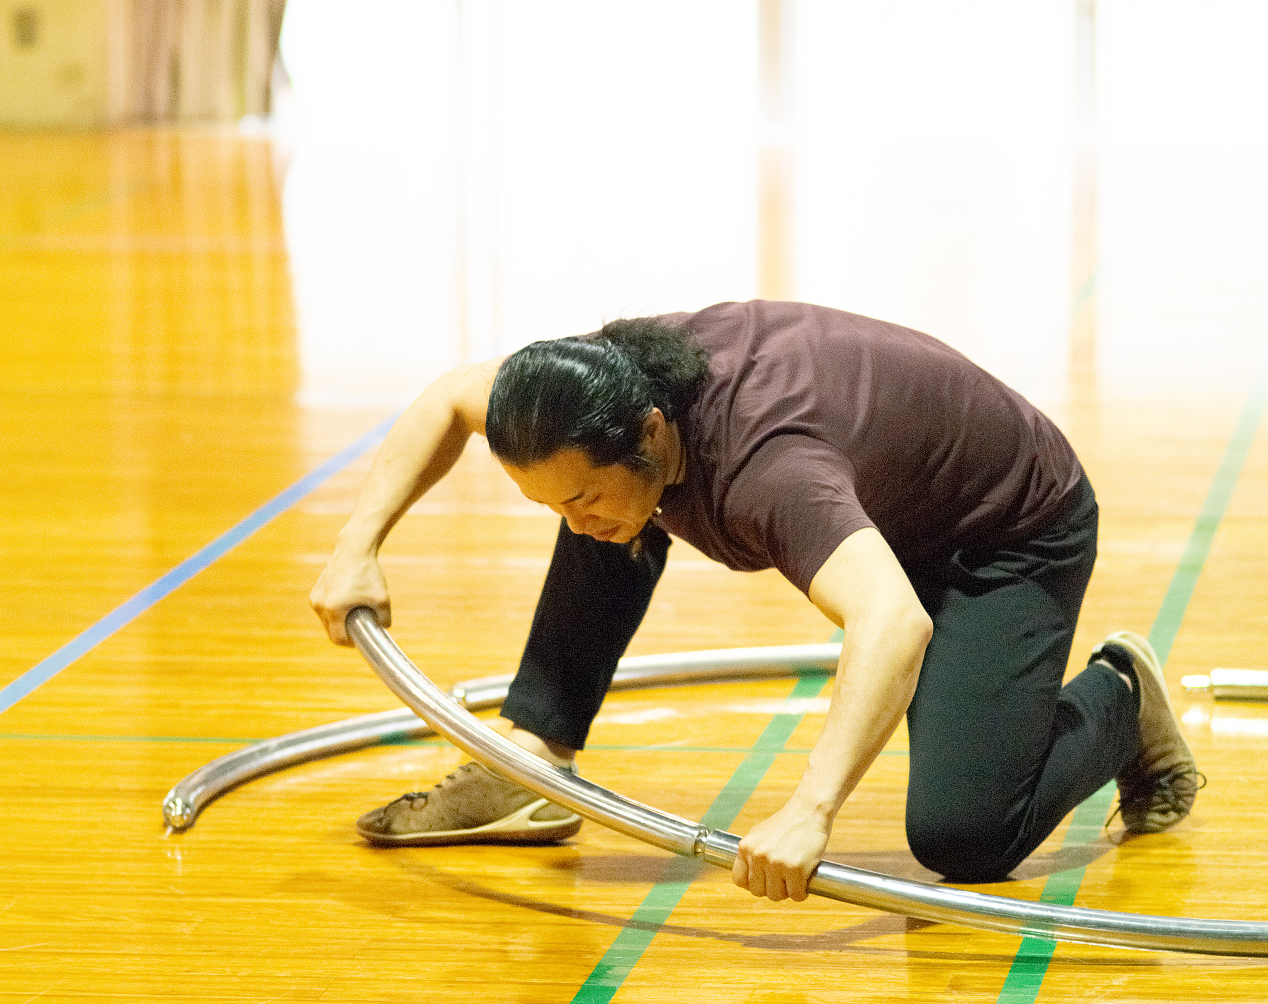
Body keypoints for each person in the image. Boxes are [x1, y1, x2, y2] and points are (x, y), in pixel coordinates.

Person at [309, 300, 1199, 904]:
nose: (568, 523)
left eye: (577, 494)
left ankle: (1121, 698)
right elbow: (451, 395)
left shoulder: (770, 472)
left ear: (653, 429)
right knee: (617, 523)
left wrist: (811, 808)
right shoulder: (596, 387)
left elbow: (892, 622)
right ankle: (532, 759)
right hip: (877, 500)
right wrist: (357, 547)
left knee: (963, 836)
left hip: (1003, 533)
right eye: (549, 502)